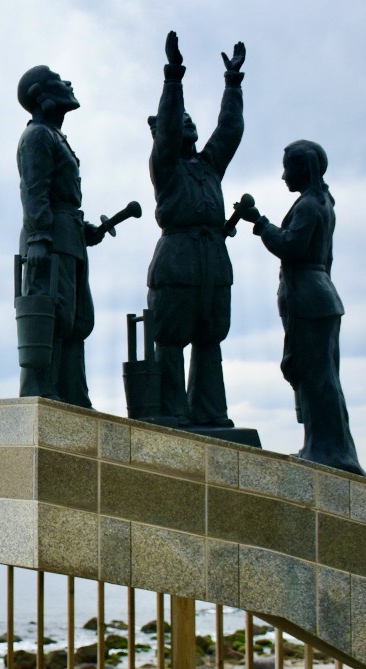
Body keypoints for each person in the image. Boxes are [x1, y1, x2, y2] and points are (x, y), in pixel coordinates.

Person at [238, 141, 366, 475]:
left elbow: (291, 247)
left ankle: (329, 452)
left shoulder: (310, 206)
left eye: (287, 167)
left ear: (302, 167)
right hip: (319, 295)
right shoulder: (322, 203)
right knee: (317, 376)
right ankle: (321, 447)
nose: (283, 175)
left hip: (309, 299)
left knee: (317, 377)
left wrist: (261, 222)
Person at [146, 31, 246, 427]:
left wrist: (233, 85)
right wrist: (173, 77)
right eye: (182, 120)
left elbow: (230, 131)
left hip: (212, 261)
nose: (188, 122)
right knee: (169, 340)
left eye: (191, 119)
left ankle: (209, 411)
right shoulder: (166, 167)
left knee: (210, 339)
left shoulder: (208, 167)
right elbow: (169, 128)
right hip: (177, 261)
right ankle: (171, 411)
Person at [15, 64, 107, 407]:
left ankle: (73, 394)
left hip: (68, 239)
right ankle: (41, 392)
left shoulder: (54, 137)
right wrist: (39, 237)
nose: (66, 82)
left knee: (74, 321)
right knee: (48, 318)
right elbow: (34, 191)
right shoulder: (36, 135)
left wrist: (83, 231)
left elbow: (59, 197)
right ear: (41, 95)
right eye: (57, 79)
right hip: (49, 241)